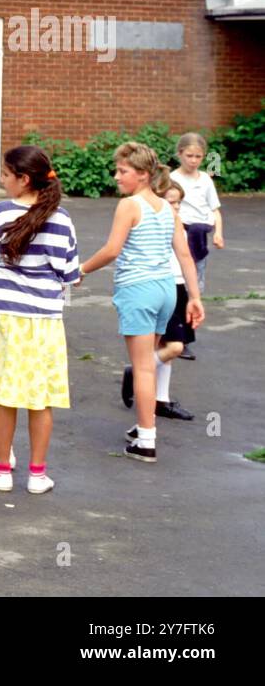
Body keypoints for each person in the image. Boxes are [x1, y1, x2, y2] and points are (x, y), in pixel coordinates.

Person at [0, 146, 78, 494]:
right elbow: (70, 275)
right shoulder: (62, 219)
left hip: (4, 312)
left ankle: (0, 470)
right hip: (45, 318)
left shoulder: (0, 212)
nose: (2, 180)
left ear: (23, 179)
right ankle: (38, 475)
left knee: (4, 392)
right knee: (40, 397)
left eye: (6, 174)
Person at [79, 143, 204, 463]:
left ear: (143, 175)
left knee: (143, 368)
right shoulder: (166, 207)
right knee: (148, 362)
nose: (116, 176)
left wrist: (81, 270)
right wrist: (194, 297)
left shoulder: (129, 205)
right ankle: (143, 425)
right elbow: (185, 255)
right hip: (165, 290)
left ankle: (146, 441)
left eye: (123, 171)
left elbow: (112, 249)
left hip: (139, 290)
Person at [120, 170, 196, 421]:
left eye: (179, 202)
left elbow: (186, 258)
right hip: (160, 287)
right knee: (174, 347)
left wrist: (194, 295)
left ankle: (160, 399)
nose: (176, 207)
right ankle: (138, 374)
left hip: (177, 289)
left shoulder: (177, 223)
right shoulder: (152, 218)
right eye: (172, 201)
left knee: (168, 347)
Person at [169, 132, 223, 360]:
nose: (193, 160)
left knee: (194, 288)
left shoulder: (206, 180)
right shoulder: (171, 179)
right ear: (180, 154)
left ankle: (185, 335)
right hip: (179, 232)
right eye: (189, 156)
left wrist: (218, 233)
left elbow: (215, 210)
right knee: (177, 285)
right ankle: (177, 337)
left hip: (199, 234)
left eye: (198, 157)